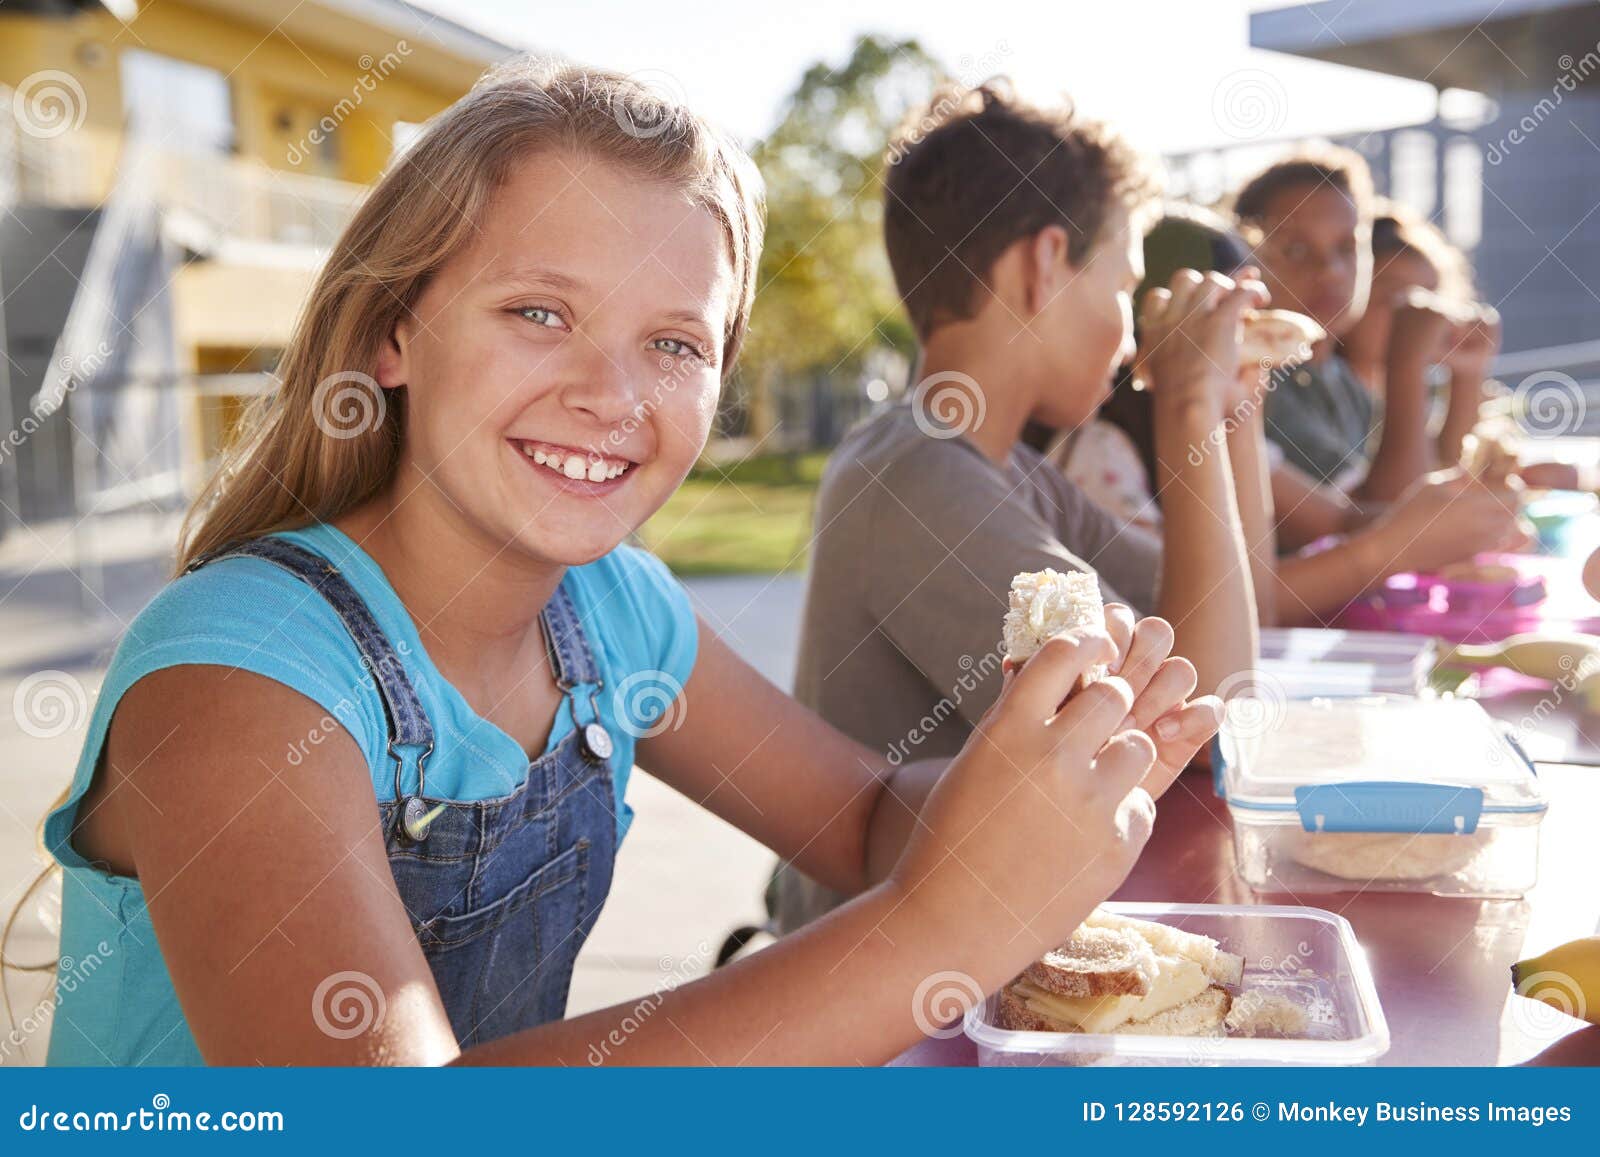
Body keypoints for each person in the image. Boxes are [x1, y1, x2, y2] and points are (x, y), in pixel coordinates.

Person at [26, 61, 1220, 1067]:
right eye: (538, 312)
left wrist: (1045, 770)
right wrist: (939, 925)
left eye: (673, 342)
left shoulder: (612, 610)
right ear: (394, 332)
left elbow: (859, 823)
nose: (611, 395)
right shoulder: (241, 680)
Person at [780, 86, 1258, 930]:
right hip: (894, 1003)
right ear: (1044, 263)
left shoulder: (1013, 473)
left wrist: (1227, 411)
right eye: (1123, 284)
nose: (1128, 329)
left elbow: (1240, 606)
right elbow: (1208, 716)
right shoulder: (916, 476)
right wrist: (1185, 408)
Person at [1050, 207, 1525, 627]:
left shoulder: (1255, 411)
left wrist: (1453, 519)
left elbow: (1331, 529)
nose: (1244, 343)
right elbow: (1231, 614)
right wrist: (1403, 539)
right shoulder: (1102, 457)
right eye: (1226, 321)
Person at [1338, 201, 1502, 471]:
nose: (1421, 317)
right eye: (1397, 297)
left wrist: (1468, 373)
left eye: (1432, 299)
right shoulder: (1331, 389)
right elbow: (1407, 493)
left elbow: (1450, 472)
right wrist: (1407, 363)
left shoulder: (1410, 392)